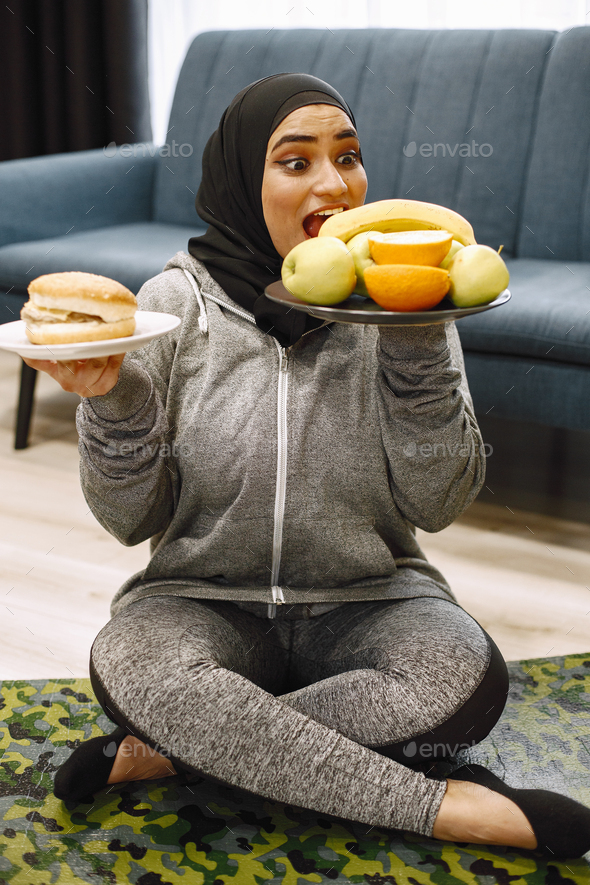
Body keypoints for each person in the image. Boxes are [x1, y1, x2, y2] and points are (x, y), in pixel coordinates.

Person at [25, 73, 590, 857]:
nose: (336, 183)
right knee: (134, 663)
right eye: (296, 162)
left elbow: (437, 502)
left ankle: (168, 751)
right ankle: (444, 807)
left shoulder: (409, 296)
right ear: (239, 181)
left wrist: (415, 343)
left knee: (465, 674)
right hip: (200, 599)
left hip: (372, 599)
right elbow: (131, 520)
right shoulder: (170, 306)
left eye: (349, 155)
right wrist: (115, 402)